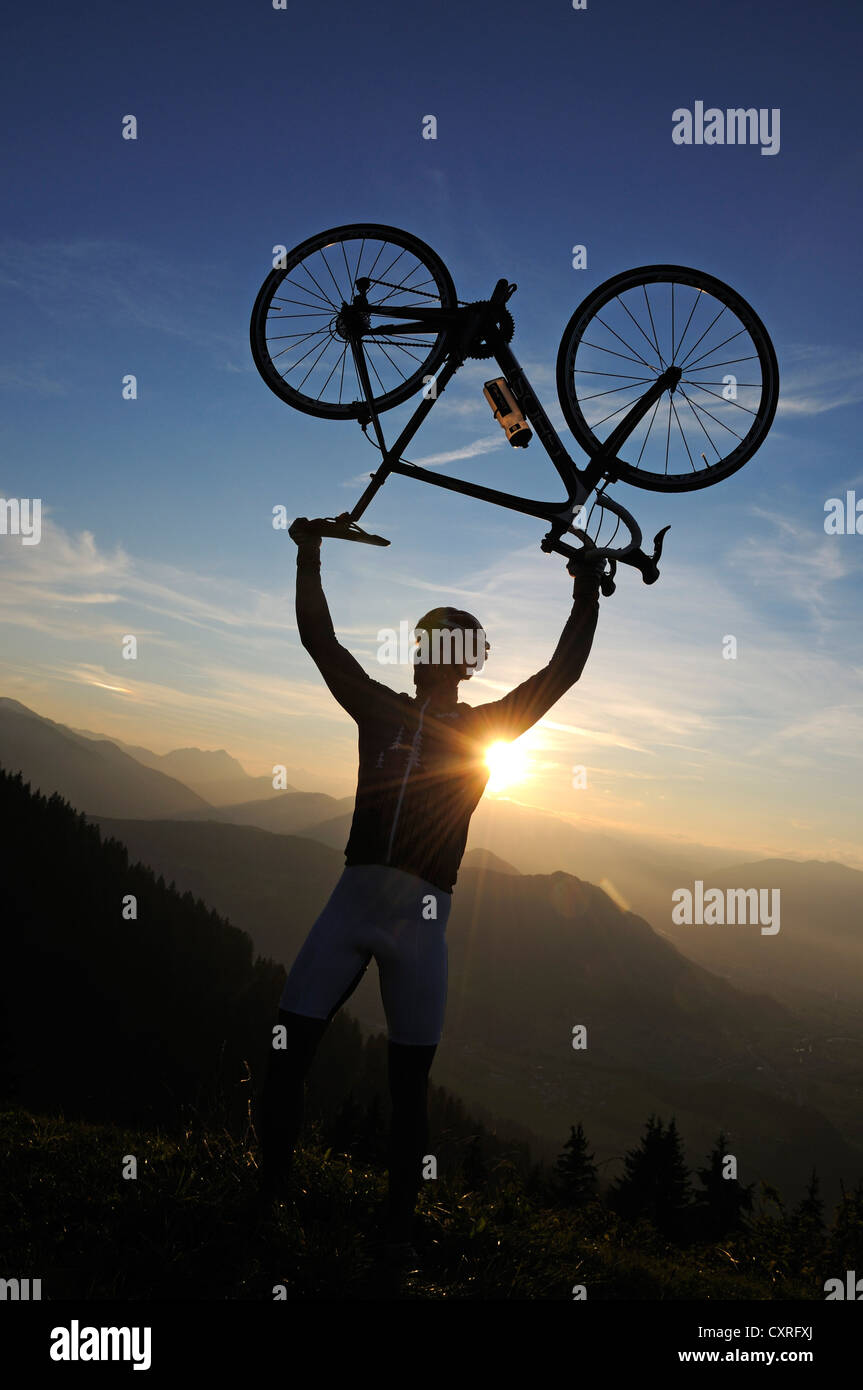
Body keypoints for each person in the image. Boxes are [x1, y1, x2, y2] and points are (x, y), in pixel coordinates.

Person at [257, 516, 604, 1264]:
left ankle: (281, 1200)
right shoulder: (477, 729)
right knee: (401, 1086)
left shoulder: (410, 716)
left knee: (298, 1059)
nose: (420, 658)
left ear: (440, 659)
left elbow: (322, 643)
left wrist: (309, 554)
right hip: (420, 919)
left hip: (357, 905)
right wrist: (584, 591)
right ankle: (386, 1224)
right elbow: (561, 674)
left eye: (428, 647)